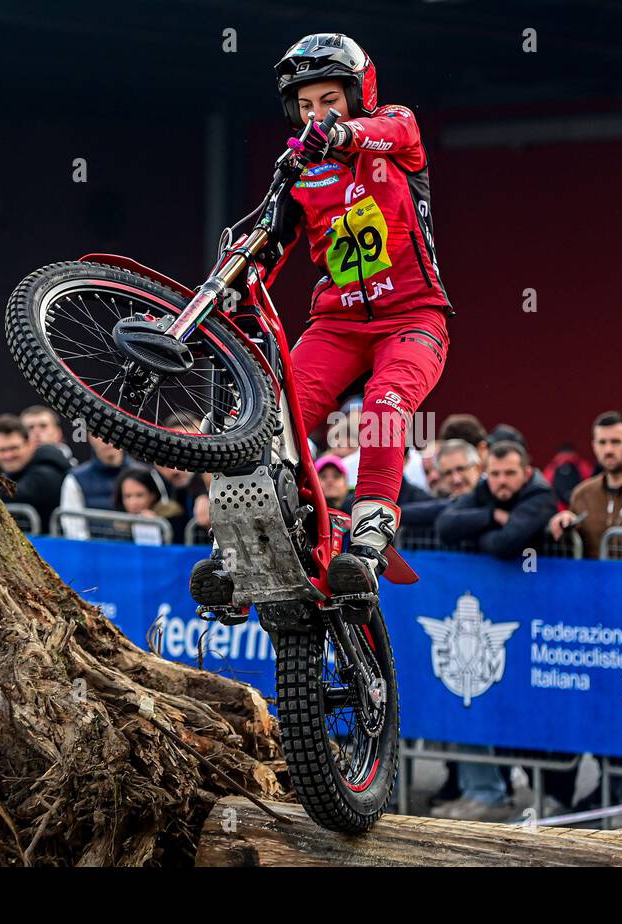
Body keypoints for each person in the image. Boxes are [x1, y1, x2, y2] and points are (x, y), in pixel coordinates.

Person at [191, 32, 454, 620]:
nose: (316, 115)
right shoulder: (298, 170)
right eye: (305, 106)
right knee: (268, 424)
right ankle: (235, 557)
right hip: (334, 324)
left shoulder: (396, 131)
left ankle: (369, 539)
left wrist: (340, 132)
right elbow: (268, 240)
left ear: (360, 93)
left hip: (413, 319)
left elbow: (387, 130)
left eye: (330, 100)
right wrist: (225, 282)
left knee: (385, 407)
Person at [549, 413, 622, 558]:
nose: (608, 450)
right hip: (591, 579)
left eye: (615, 442)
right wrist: (563, 520)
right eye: (602, 442)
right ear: (594, 445)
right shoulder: (582, 493)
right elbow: (569, 547)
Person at [435, 441, 556, 558]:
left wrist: (474, 533)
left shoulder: (540, 495)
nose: (502, 481)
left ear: (526, 474)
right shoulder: (484, 488)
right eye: (495, 474)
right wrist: (492, 515)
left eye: (510, 473)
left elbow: (505, 543)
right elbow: (445, 524)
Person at [0, 414, 71, 532]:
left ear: (30, 444)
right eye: (2, 450)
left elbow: (20, 494)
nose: (8, 455)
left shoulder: (48, 471)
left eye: (14, 448)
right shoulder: (11, 474)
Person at [59, 434, 145, 539]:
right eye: (100, 433)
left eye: (115, 431)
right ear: (90, 437)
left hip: (139, 552)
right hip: (94, 552)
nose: (107, 439)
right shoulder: (74, 479)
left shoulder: (147, 475)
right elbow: (74, 532)